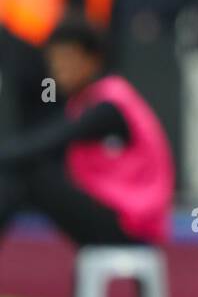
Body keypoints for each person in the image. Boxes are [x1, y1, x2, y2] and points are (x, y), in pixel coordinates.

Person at [0, 15, 174, 249]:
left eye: (67, 60)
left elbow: (45, 144)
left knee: (29, 175)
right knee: (22, 176)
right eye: (55, 62)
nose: (59, 70)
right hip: (114, 212)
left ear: (92, 59)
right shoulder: (83, 102)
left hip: (131, 224)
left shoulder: (109, 105)